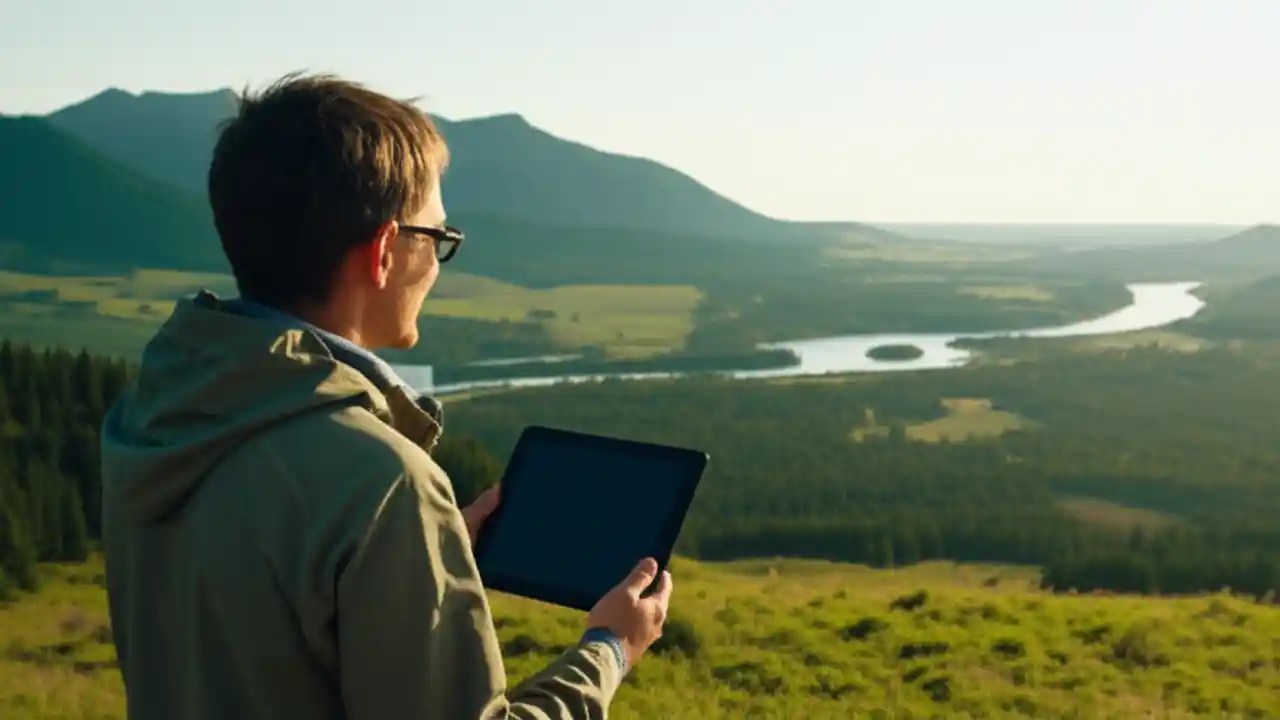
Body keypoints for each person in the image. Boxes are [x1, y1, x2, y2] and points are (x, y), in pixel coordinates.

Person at [99, 73, 672, 720]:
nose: (436, 264)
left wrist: (416, 565)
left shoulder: (154, 419)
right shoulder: (381, 484)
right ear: (381, 253)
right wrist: (610, 648)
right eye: (437, 240)